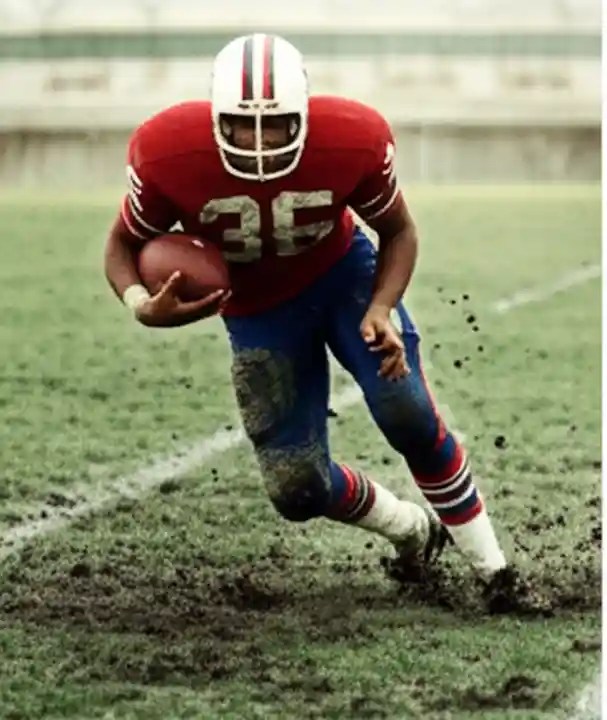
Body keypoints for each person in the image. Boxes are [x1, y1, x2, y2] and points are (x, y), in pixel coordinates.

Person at [101, 32, 516, 598]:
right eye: (242, 124)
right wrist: (141, 306)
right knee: (298, 490)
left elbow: (398, 230)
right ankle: (411, 530)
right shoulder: (166, 150)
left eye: (273, 123)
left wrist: (382, 307)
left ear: (303, 115)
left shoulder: (352, 137)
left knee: (407, 412)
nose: (258, 140)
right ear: (215, 116)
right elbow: (123, 244)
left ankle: (496, 574)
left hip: (344, 277)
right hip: (259, 311)